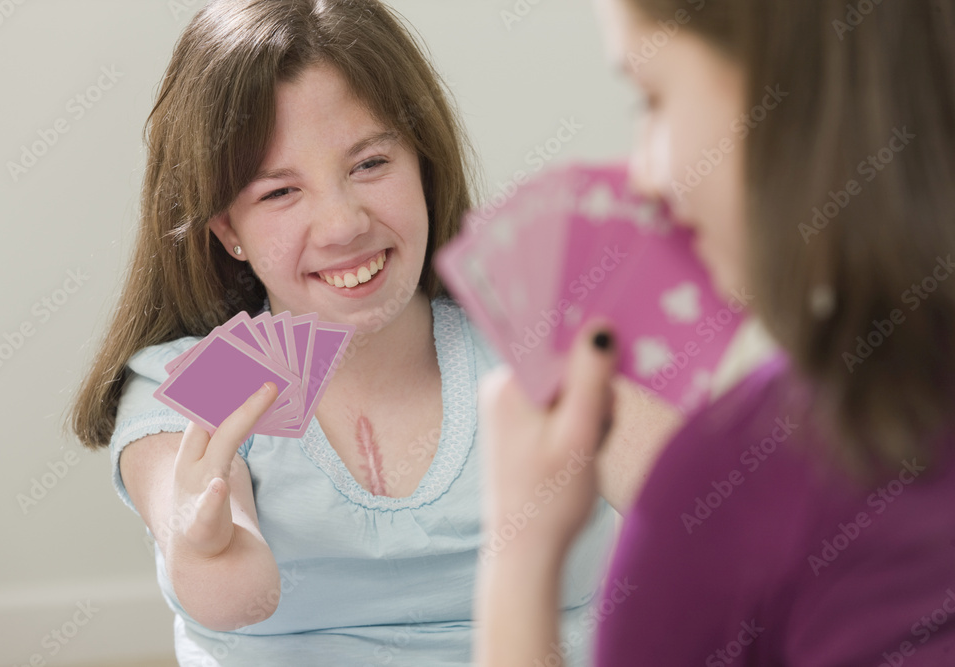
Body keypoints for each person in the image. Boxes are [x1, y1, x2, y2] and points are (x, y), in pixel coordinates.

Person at [68, 1, 682, 664]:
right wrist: (205, 543)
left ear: (423, 162)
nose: (342, 224)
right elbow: (233, 596)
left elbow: (701, 503)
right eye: (280, 193)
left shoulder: (537, 341)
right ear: (228, 232)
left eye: (369, 164)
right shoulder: (194, 382)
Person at [476, 0, 955, 664]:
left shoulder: (733, 479)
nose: (642, 173)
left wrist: (518, 556)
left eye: (652, 99)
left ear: (780, 86)